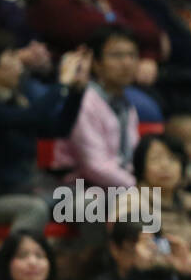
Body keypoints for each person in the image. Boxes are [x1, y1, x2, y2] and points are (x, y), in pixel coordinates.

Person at [25, 0, 164, 121]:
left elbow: (152, 31)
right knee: (147, 110)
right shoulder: (50, 3)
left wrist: (148, 56)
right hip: (70, 83)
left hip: (112, 82)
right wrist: (111, 18)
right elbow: (104, 35)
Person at [0, 29, 87, 207]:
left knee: (96, 199)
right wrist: (62, 84)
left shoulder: (15, 99)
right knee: (80, 203)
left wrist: (76, 91)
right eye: (11, 57)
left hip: (27, 186)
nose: (19, 64)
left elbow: (58, 130)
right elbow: (29, 117)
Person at [53, 25, 142, 194]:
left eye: (132, 55)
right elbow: (94, 166)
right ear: (96, 63)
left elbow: (131, 156)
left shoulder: (125, 103)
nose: (127, 63)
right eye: (117, 56)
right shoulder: (83, 101)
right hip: (79, 189)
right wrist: (139, 187)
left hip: (120, 186)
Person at [133, 133, 191, 264]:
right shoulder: (133, 203)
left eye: (172, 159)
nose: (165, 166)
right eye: (155, 159)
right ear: (141, 168)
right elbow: (142, 253)